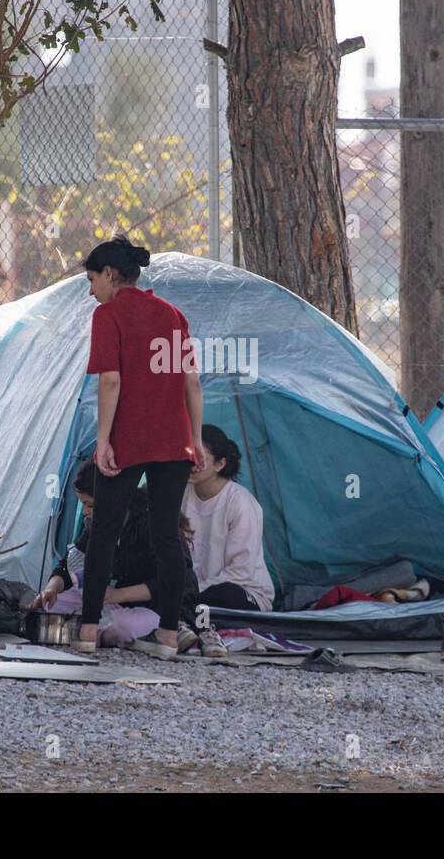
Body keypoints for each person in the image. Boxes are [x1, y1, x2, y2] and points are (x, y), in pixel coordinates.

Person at [80, 235, 204, 660]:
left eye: (92, 278)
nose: (91, 288)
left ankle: (88, 630)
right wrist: (196, 439)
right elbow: (191, 382)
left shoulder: (107, 315)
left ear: (111, 275)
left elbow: (110, 380)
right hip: (173, 441)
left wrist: (103, 440)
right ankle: (169, 636)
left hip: (129, 440)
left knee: (104, 534)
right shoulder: (173, 315)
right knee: (167, 536)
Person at [29, 461, 219, 653]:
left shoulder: (149, 523)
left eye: (89, 504)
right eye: (83, 505)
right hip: (115, 603)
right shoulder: (96, 526)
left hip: (154, 608)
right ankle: (94, 630)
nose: (86, 511)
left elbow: (179, 580)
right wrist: (51, 589)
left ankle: (167, 630)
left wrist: (118, 595)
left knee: (122, 627)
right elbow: (71, 562)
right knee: (52, 605)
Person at [182, 424, 275, 613]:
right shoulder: (181, 493)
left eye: (200, 457)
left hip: (243, 590)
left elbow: (241, 572)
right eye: (189, 454)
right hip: (192, 590)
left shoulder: (241, 503)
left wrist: (191, 591)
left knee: (222, 596)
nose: (192, 463)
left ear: (220, 464)